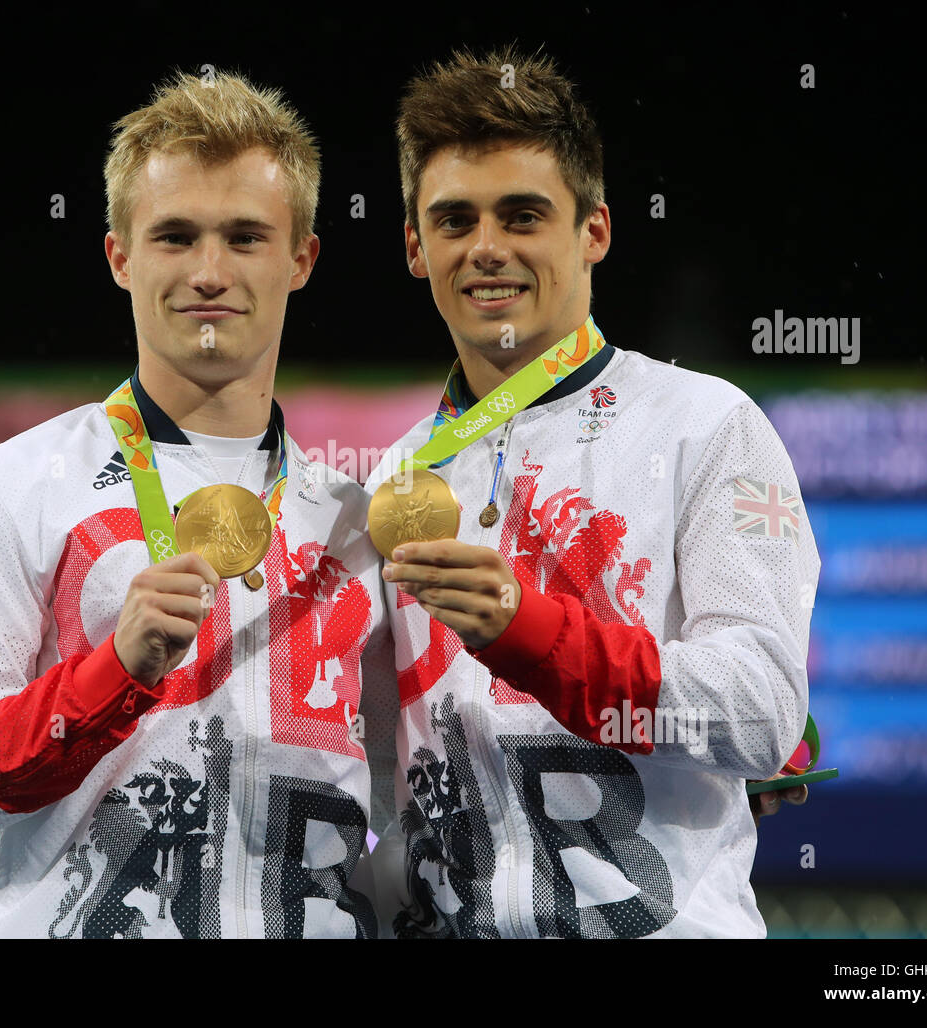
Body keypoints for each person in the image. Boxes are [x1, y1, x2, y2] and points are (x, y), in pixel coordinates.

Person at [0, 69, 393, 938]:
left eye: (245, 236)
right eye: (175, 236)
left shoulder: (354, 525)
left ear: (302, 258)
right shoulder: (7, 490)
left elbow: (420, 795)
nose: (209, 271)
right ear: (119, 254)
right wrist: (106, 677)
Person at [364, 46, 821, 938]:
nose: (487, 248)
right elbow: (373, 763)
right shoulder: (392, 479)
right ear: (416, 247)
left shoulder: (708, 425)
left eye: (523, 215)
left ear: (595, 232)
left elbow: (764, 711)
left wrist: (532, 635)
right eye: (454, 220)